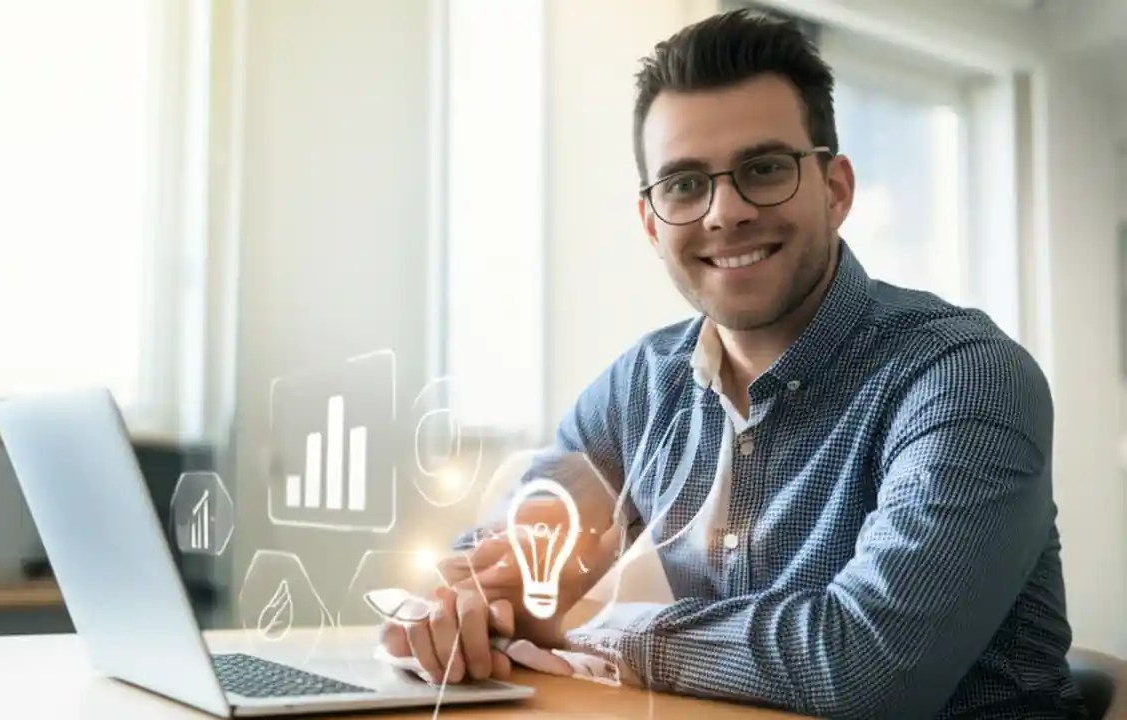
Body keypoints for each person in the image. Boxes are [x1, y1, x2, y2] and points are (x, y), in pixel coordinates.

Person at [380, 9, 1086, 718]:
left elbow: (863, 669)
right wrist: (457, 610)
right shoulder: (643, 386)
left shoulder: (964, 378)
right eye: (685, 184)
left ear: (835, 189)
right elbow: (498, 564)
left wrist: (589, 625)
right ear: (652, 222)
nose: (726, 211)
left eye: (765, 169)